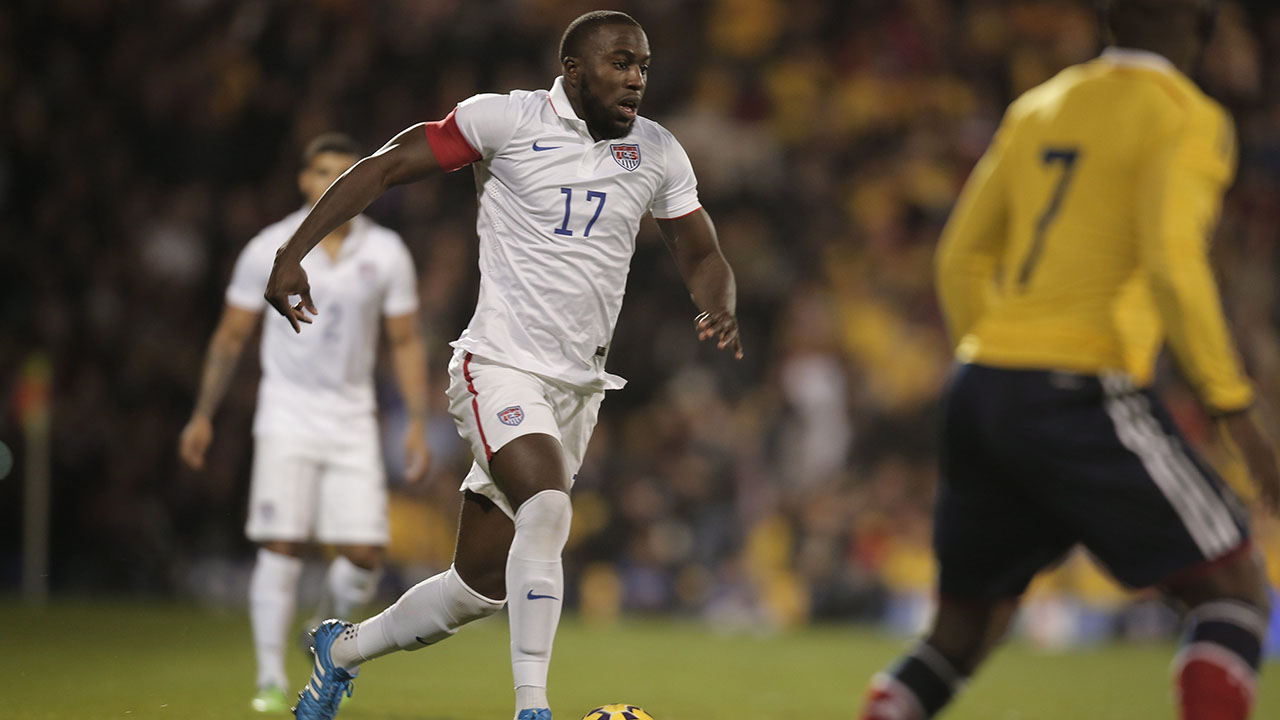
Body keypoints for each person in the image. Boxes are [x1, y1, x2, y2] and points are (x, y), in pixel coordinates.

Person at [262, 11, 742, 720]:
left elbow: (699, 251)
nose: (637, 78)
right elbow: (384, 166)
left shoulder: (657, 151)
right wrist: (292, 251)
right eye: (620, 63)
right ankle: (532, 708)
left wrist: (719, 302)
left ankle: (341, 652)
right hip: (499, 364)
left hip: (579, 389)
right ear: (573, 70)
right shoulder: (505, 121)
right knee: (548, 507)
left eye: (643, 65)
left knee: (478, 587)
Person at [857, 1, 1280, 718]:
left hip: (984, 384)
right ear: (1198, 24)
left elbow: (960, 259)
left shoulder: (1039, 105)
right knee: (1234, 594)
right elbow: (1174, 263)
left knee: (958, 638)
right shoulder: (1186, 115)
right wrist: (1232, 406)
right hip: (1081, 384)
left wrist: (1004, 370)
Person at [178, 133, 431, 714]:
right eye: (322, 171)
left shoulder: (386, 251)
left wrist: (416, 420)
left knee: (365, 554)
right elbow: (231, 336)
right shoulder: (269, 247)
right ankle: (269, 677)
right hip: (286, 413)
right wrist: (202, 414)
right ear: (303, 179)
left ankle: (322, 630)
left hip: (352, 417)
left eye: (345, 173)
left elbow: (404, 340)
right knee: (282, 543)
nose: (331, 182)